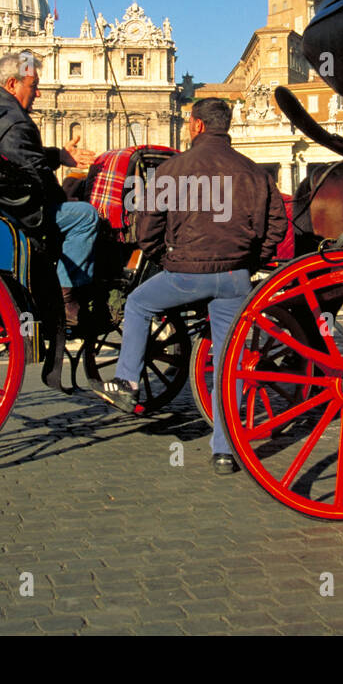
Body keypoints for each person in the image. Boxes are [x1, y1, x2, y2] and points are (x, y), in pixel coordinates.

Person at [90, 97, 287, 474]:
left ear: (196, 125)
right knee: (229, 362)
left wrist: (166, 259)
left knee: (138, 304)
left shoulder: (172, 170)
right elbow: (277, 226)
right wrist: (251, 259)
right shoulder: (254, 172)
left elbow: (146, 228)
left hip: (184, 273)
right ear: (224, 126)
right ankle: (225, 451)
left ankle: (128, 381)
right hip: (235, 278)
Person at [0, 50, 97, 323]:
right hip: (14, 211)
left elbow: (10, 153)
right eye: (34, 86)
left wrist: (58, 155)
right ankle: (65, 300)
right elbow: (36, 176)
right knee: (85, 216)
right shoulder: (15, 121)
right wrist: (64, 197)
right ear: (12, 84)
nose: (38, 94)